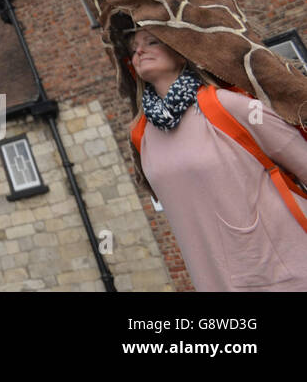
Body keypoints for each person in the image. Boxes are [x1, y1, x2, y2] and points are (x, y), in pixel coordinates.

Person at [127, 27, 307, 290]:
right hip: (214, 279)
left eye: (152, 42)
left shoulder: (227, 106)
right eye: (133, 49)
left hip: (284, 270)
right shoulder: (142, 134)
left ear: (181, 53)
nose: (139, 51)